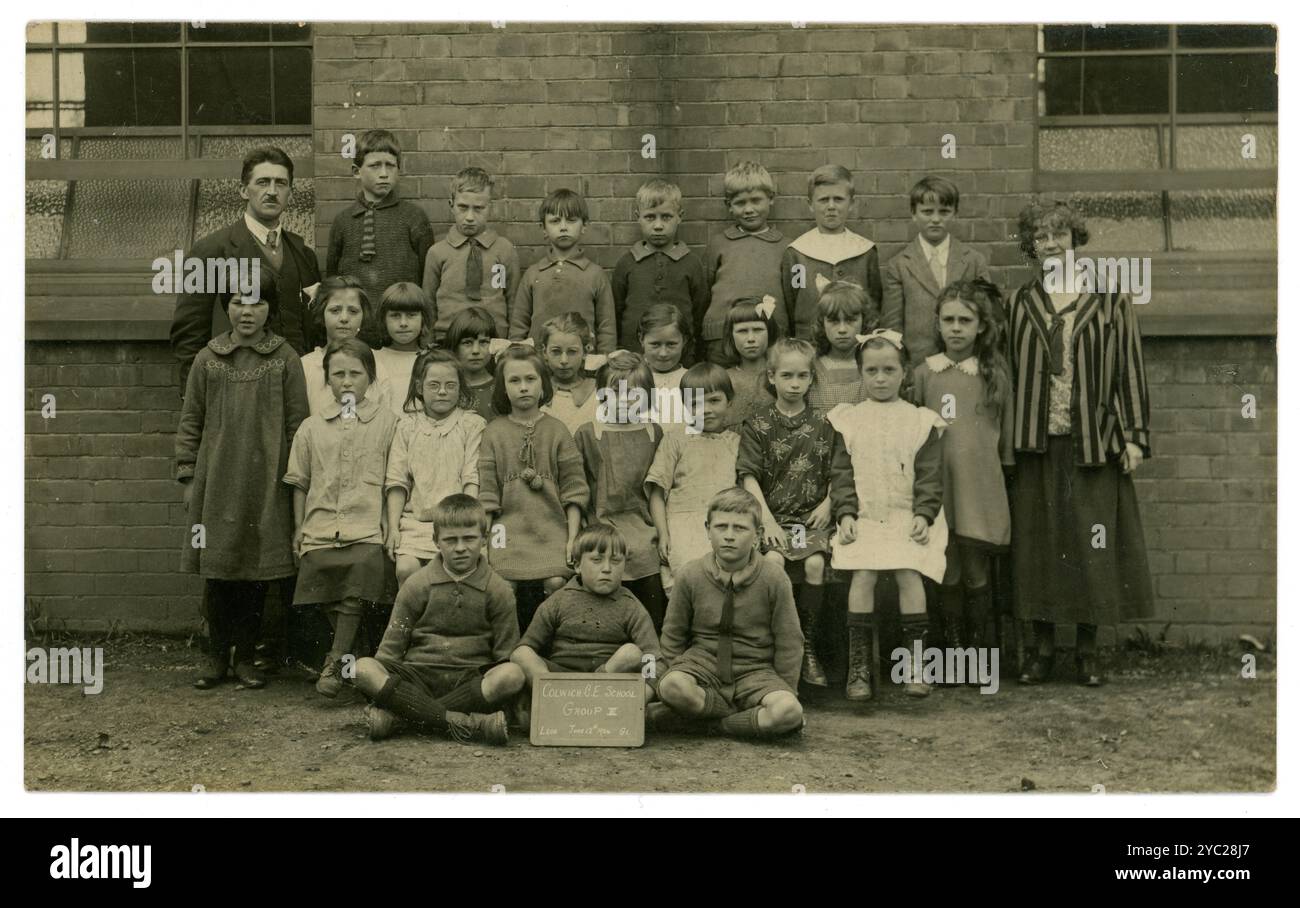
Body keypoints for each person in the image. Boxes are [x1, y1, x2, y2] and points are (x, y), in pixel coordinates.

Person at [1008, 199, 1154, 687]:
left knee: (1092, 543)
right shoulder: (1018, 303)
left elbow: (1129, 371)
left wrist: (1133, 437)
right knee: (1038, 546)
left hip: (1093, 443)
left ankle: (1088, 650)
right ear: (1031, 246)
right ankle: (1043, 649)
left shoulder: (1110, 299)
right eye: (1042, 238)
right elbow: (1007, 376)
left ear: (1075, 241)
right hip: (1035, 443)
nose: (1051, 245)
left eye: (1060, 236)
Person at [175, 291, 309, 690]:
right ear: (225, 308)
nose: (247, 312)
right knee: (218, 572)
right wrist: (187, 477)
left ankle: (247, 658)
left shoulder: (285, 359)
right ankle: (216, 657)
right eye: (237, 302)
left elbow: (297, 424)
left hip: (266, 482)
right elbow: (191, 420)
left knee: (255, 573)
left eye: (258, 303)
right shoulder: (208, 359)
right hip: (216, 479)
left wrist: (292, 479)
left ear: (271, 308)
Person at [829, 330, 947, 701]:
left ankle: (915, 666)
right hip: (864, 517)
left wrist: (924, 515)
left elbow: (930, 475)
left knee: (909, 573)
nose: (880, 379)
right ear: (861, 374)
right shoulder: (848, 419)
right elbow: (841, 473)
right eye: (872, 371)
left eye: (889, 370)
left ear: (904, 372)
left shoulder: (920, 421)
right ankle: (859, 669)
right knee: (862, 575)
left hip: (905, 516)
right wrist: (845, 513)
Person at [353, 495, 524, 744]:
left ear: (484, 540)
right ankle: (468, 724)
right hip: (417, 678)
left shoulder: (499, 590)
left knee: (513, 674)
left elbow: (504, 656)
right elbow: (390, 652)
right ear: (435, 541)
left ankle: (403, 718)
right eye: (450, 540)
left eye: (469, 539)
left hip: (469, 683)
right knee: (360, 668)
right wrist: (384, 683)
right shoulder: (417, 584)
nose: (460, 548)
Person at [736, 338, 857, 688]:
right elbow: (748, 475)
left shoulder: (825, 422)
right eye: (786, 375)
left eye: (802, 376)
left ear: (811, 380)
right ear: (771, 376)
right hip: (772, 518)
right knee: (773, 563)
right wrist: (767, 521)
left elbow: (841, 471)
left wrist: (829, 504)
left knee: (815, 564)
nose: (794, 384)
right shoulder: (758, 423)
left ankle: (807, 647)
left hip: (810, 520)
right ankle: (777, 649)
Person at [284, 338, 399, 696]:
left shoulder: (389, 424)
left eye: (355, 373)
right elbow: (299, 483)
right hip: (320, 527)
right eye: (338, 374)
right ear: (327, 381)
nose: (347, 381)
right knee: (320, 578)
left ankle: (336, 661)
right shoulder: (311, 427)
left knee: (359, 574)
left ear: (371, 378)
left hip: (365, 528)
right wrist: (299, 528)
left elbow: (393, 478)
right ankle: (354, 657)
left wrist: (386, 520)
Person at [909, 280, 1014, 660]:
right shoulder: (924, 374)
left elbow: (1007, 435)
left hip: (979, 485)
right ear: (936, 324)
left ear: (980, 326)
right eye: (948, 320)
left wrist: (1005, 470)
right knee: (947, 568)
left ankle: (979, 649)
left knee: (976, 570)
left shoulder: (993, 374)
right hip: (939, 487)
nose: (955, 328)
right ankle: (953, 651)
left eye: (965, 320)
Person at [653, 487, 805, 739]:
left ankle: (713, 725)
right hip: (703, 666)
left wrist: (785, 689)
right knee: (671, 686)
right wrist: (676, 674)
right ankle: (742, 719)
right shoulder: (690, 575)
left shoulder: (774, 577)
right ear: (707, 530)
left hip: (755, 671)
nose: (729, 536)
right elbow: (672, 635)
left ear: (757, 535)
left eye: (740, 528)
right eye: (721, 527)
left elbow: (790, 641)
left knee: (788, 711)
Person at [171, 146, 320, 387]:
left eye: (281, 183)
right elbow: (189, 332)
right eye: (262, 182)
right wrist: (196, 394)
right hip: (235, 387)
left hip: (297, 386)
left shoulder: (303, 254)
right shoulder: (209, 251)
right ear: (243, 190)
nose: (272, 192)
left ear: (290, 192)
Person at [510, 523, 660, 706]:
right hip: (561, 681)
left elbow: (652, 657)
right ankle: (556, 701)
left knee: (632, 653)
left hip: (608, 683)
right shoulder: (559, 600)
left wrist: (644, 694)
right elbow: (529, 645)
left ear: (624, 565)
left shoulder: (631, 606)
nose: (607, 568)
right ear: (578, 565)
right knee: (521, 654)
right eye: (597, 560)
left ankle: (583, 704)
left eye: (615, 561)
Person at [574, 354, 667, 629]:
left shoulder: (653, 433)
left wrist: (662, 533)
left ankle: (653, 640)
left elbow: (657, 491)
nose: (626, 399)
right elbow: (577, 486)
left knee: (647, 559)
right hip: (600, 522)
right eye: (616, 392)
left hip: (642, 523)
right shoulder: (589, 433)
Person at [385, 349, 485, 587]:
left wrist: (466, 523)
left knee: (457, 578)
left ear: (460, 387)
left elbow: (472, 478)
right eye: (434, 385)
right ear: (419, 387)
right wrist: (393, 527)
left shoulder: (472, 424)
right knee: (407, 569)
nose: (442, 391)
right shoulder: (407, 426)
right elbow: (397, 481)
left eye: (450, 385)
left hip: (457, 525)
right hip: (416, 524)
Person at [325, 128, 434, 347]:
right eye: (375, 166)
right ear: (357, 171)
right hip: (356, 335)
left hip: (401, 333)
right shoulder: (343, 221)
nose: (384, 173)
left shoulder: (414, 217)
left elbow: (427, 279)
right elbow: (333, 279)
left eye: (390, 165)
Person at [880, 176, 992, 367]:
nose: (936, 219)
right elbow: (893, 328)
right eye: (927, 212)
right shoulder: (899, 265)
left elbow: (988, 317)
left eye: (944, 212)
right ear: (913, 214)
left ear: (955, 213)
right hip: (918, 366)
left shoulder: (973, 261)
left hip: (965, 364)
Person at [780, 164, 881, 342]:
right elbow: (791, 302)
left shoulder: (865, 251)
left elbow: (874, 303)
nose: (831, 206)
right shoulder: (797, 253)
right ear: (810, 204)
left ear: (852, 203)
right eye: (824, 200)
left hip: (854, 345)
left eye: (839, 199)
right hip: (808, 344)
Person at [701, 161, 789, 364]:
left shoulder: (786, 247)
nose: (749, 209)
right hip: (721, 337)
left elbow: (793, 298)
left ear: (771, 199)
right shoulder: (718, 244)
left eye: (756, 200)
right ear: (728, 206)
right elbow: (704, 292)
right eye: (741, 203)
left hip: (770, 336)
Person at [511, 189, 617, 351]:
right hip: (539, 363)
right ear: (543, 228)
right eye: (555, 221)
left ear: (584, 226)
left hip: (583, 362)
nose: (563, 227)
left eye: (571, 220)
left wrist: (603, 359)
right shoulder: (533, 274)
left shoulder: (595, 274)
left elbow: (606, 327)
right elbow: (519, 325)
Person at [613, 178, 708, 358]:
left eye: (666, 217)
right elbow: (616, 313)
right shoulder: (627, 263)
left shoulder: (691, 263)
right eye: (650, 217)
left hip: (679, 358)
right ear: (637, 217)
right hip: (635, 358)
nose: (658, 226)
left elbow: (700, 312)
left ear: (680, 216)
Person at [423, 167, 518, 344]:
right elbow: (428, 304)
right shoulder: (437, 252)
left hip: (493, 340)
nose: (469, 217)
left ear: (490, 207)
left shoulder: (504, 250)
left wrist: (511, 343)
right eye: (463, 207)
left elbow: (512, 301)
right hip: (448, 339)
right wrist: (430, 343)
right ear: (451, 205)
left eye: (478, 209)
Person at [372, 281, 435, 418]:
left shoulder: (433, 360)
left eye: (411, 315)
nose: (403, 323)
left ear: (423, 318)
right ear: (384, 320)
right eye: (395, 315)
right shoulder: (373, 359)